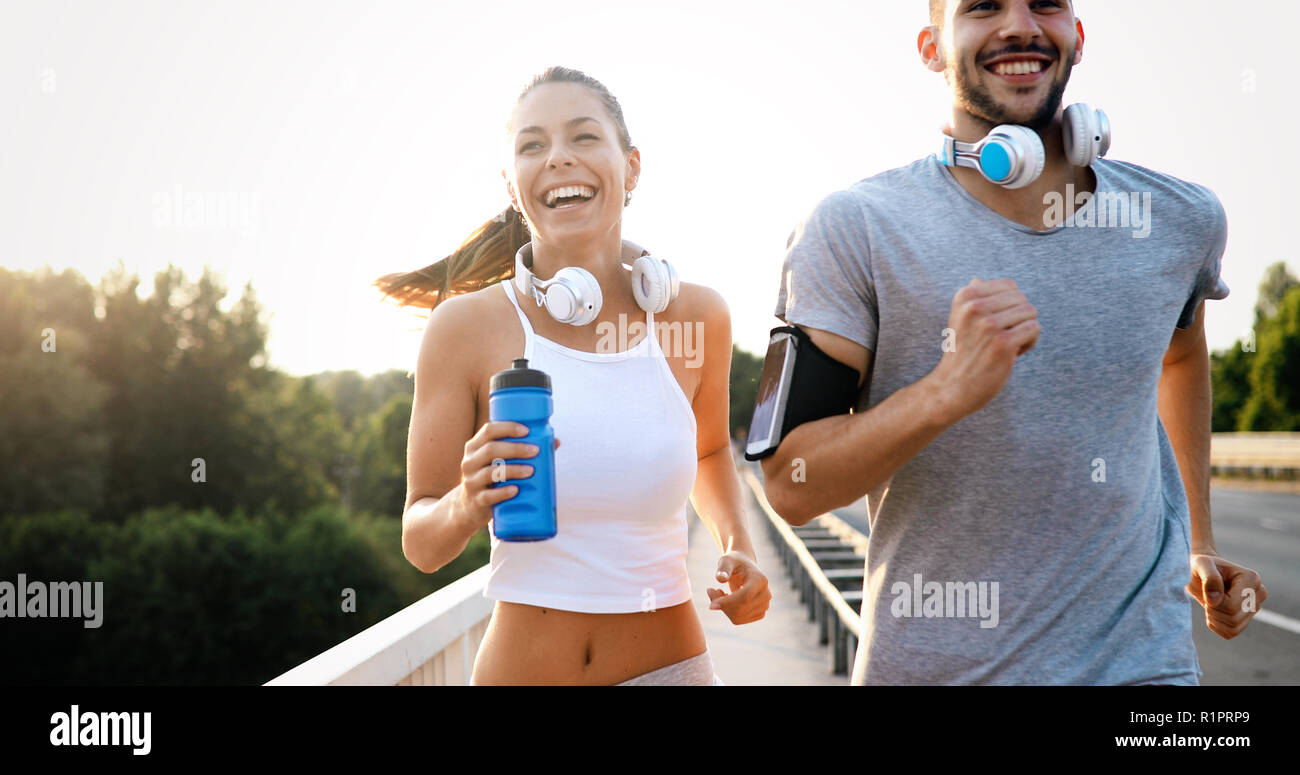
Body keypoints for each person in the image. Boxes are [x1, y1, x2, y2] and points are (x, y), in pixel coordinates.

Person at [759, 0, 1267, 685]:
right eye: (984, 7)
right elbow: (789, 483)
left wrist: (1198, 541)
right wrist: (942, 394)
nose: (1020, 25)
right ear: (931, 47)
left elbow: (1180, 351)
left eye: (1045, 5)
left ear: (1077, 37)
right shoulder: (852, 229)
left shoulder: (1182, 220)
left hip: (1147, 672)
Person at [376, 66, 770, 686]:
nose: (558, 158)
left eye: (583, 137)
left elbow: (712, 450)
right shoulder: (464, 328)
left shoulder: (697, 317)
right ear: (512, 184)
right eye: (533, 145)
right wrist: (465, 501)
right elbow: (422, 543)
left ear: (631, 167)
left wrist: (736, 544)